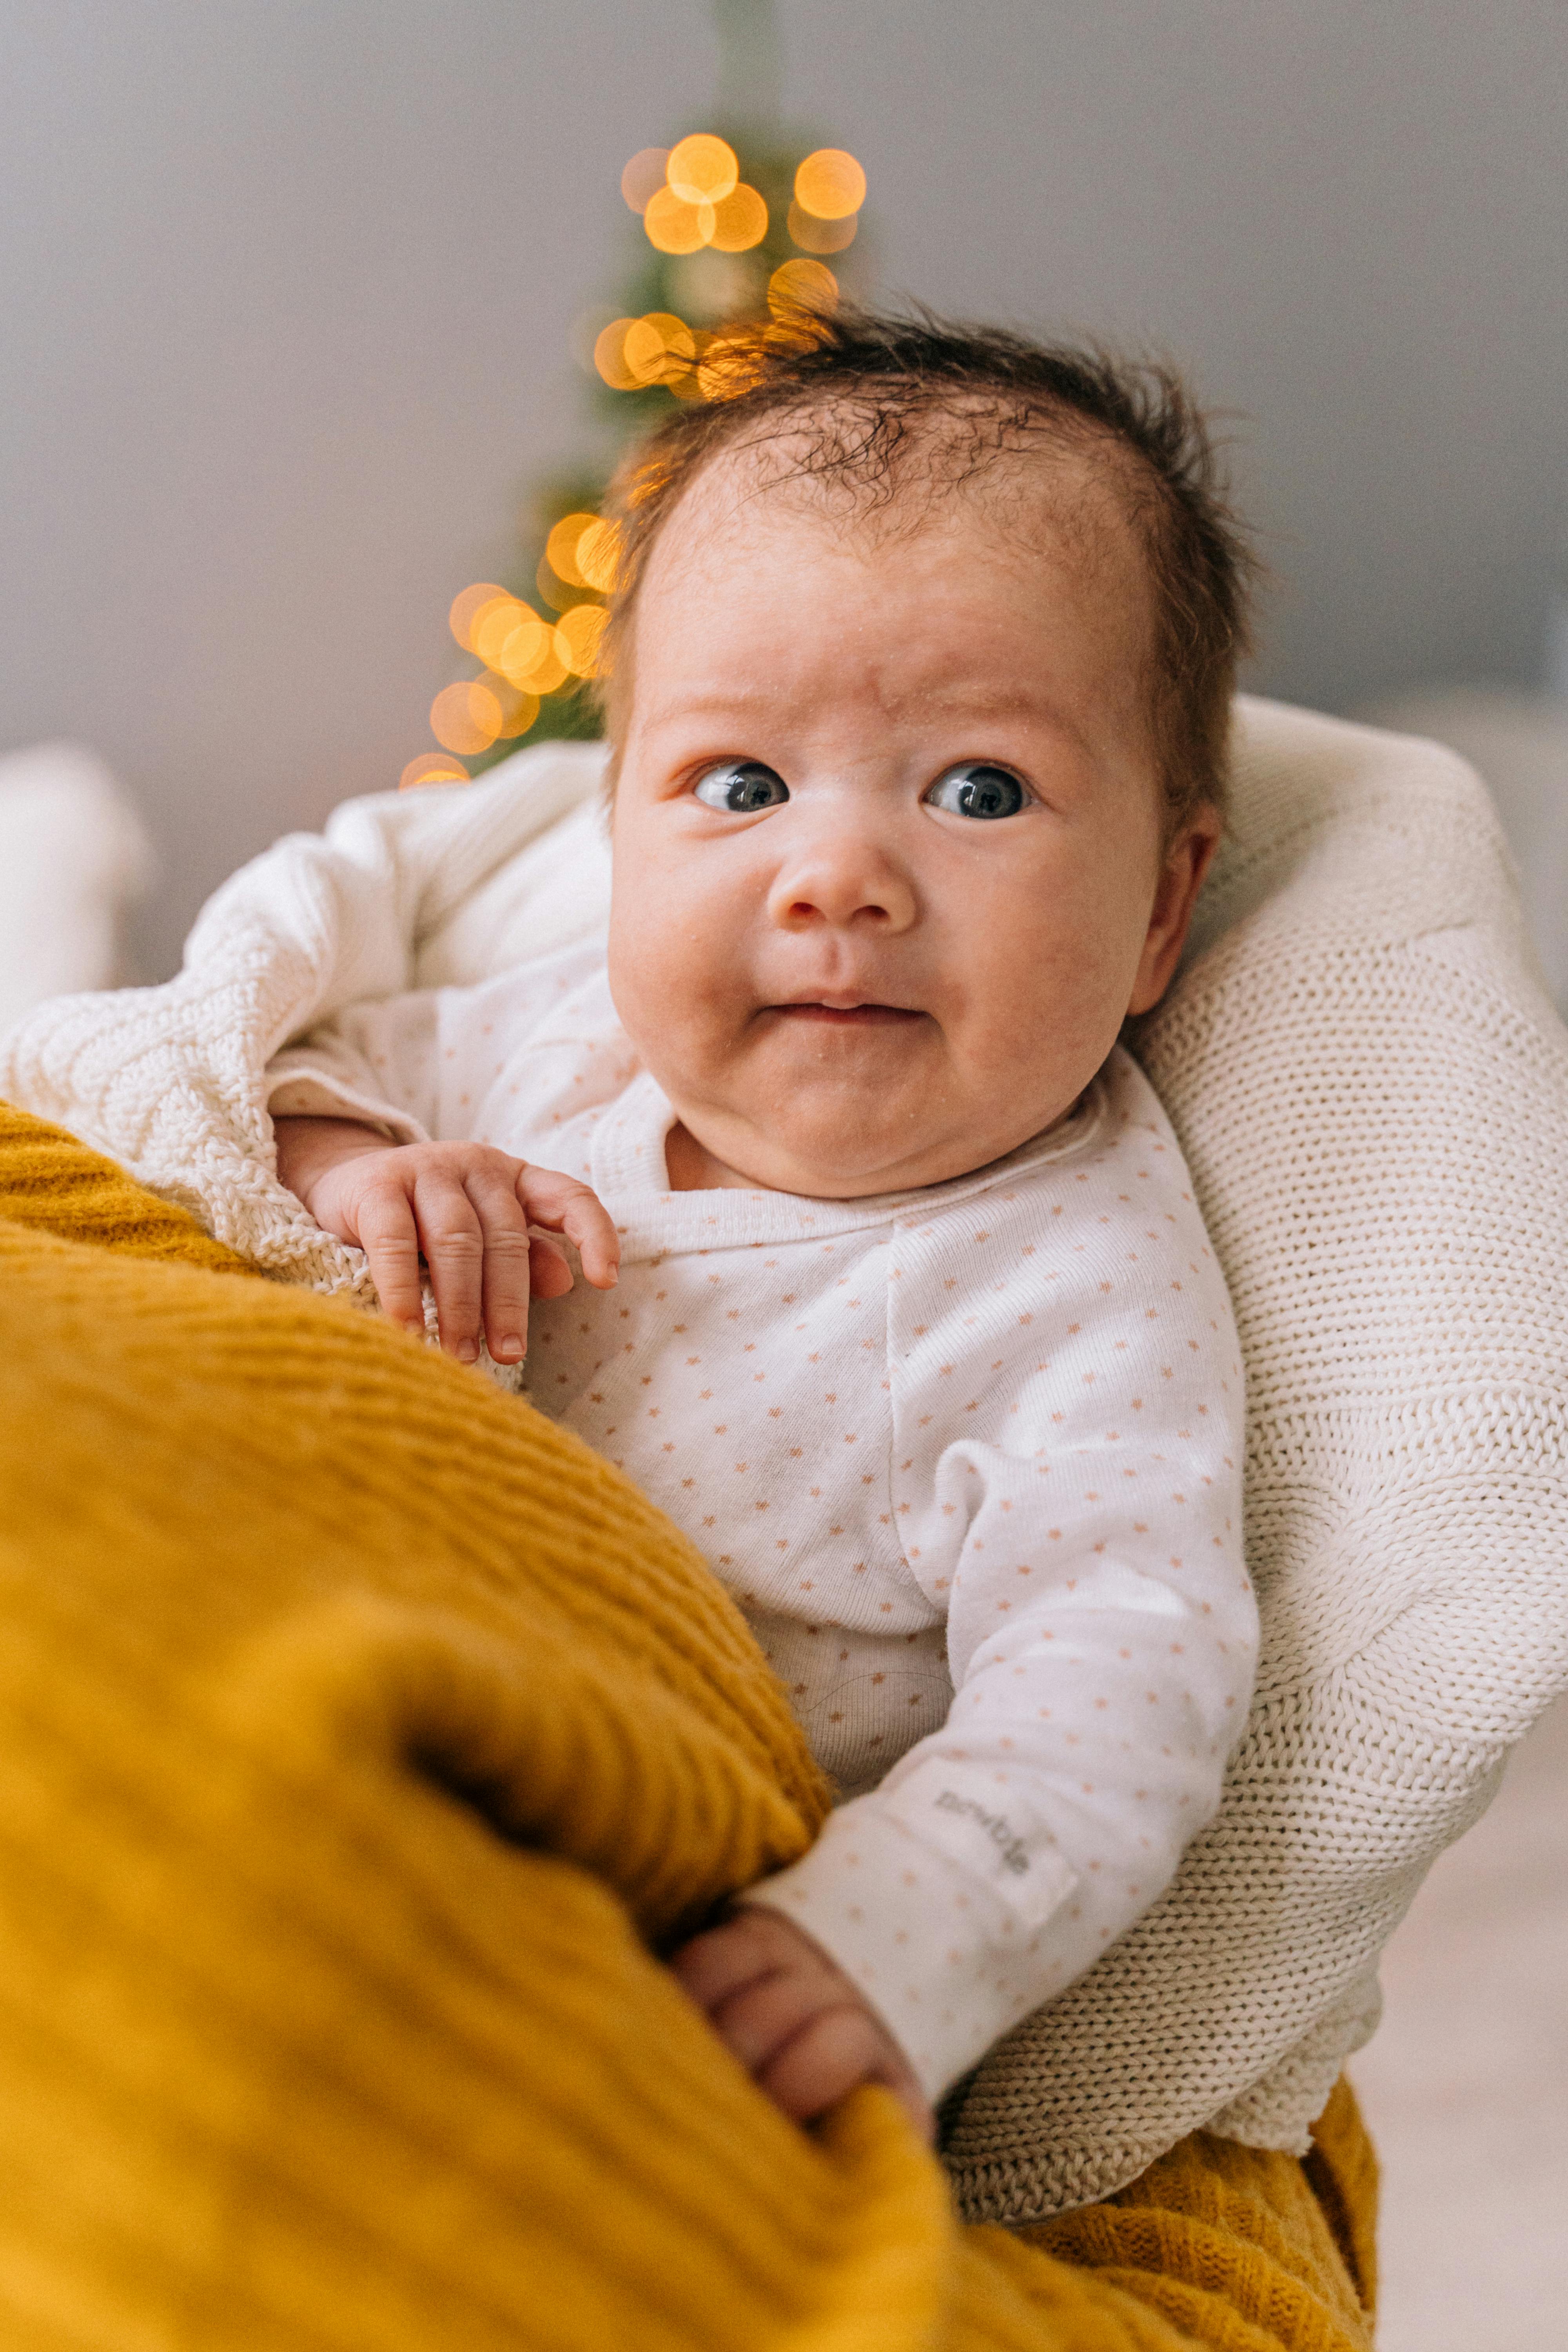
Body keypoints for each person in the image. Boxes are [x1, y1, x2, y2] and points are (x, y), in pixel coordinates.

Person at [266, 311, 1257, 2144]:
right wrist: (350, 1162)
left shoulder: (1074, 1286)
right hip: (350, 1691)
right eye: (740, 787)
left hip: (687, 1896)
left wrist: (891, 1940)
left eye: (980, 791)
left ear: (1156, 913)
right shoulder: (554, 1041)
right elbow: (277, 1069)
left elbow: (1124, 1670)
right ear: (614, 833)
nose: (836, 878)